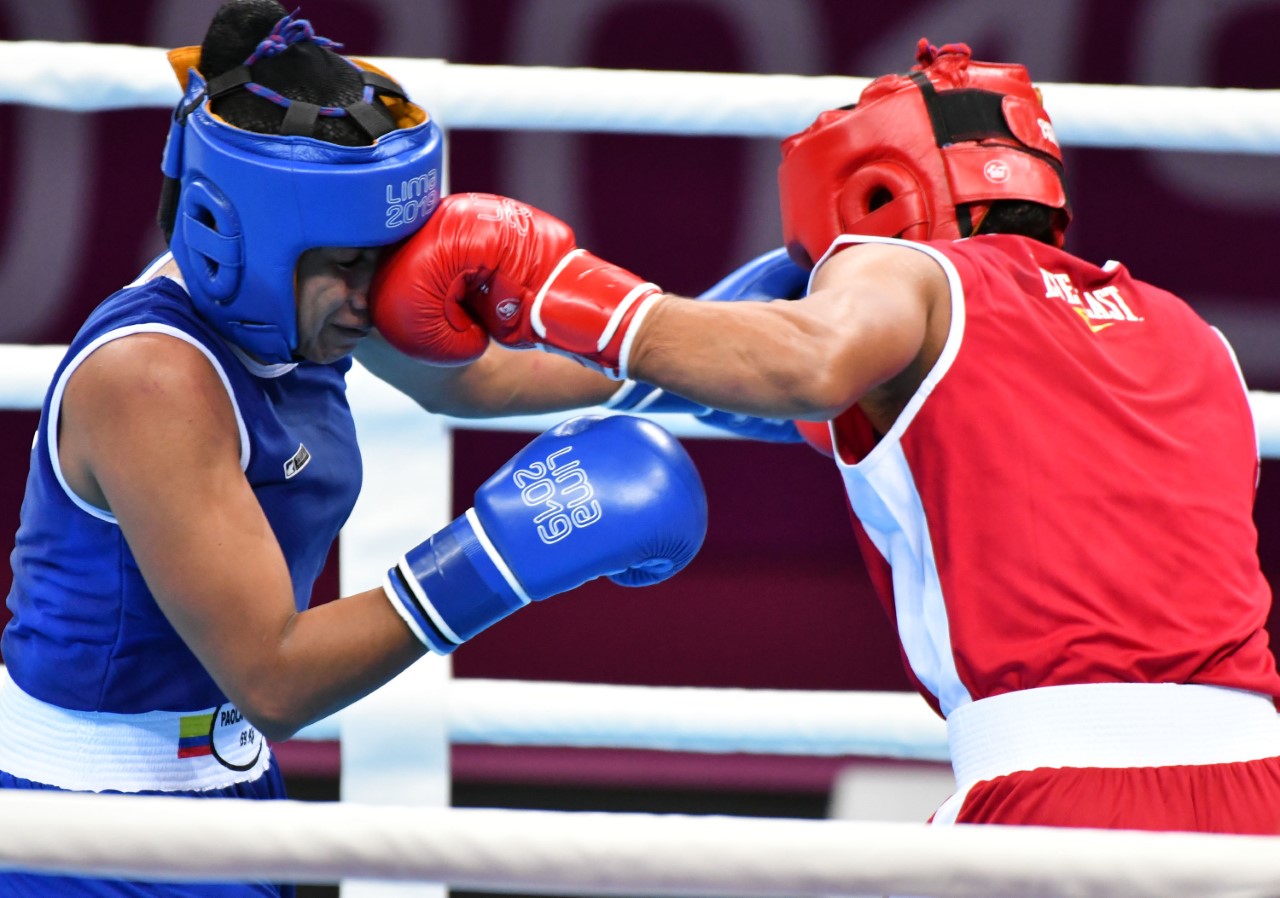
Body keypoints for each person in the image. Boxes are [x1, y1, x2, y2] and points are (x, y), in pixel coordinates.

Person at [368, 39, 1280, 835]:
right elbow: (531, 383)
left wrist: (558, 285)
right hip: (1258, 799)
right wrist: (373, 309)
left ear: (866, 195)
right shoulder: (1187, 331)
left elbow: (807, 364)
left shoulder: (900, 280)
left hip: (1059, 801)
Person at [0, 2, 708, 895]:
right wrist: (493, 558)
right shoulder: (154, 381)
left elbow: (469, 379)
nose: (374, 301)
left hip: (225, 784)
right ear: (238, 240)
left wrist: (685, 356)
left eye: (386, 258)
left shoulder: (303, 291)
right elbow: (276, 676)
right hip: (84, 826)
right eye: (349, 264)